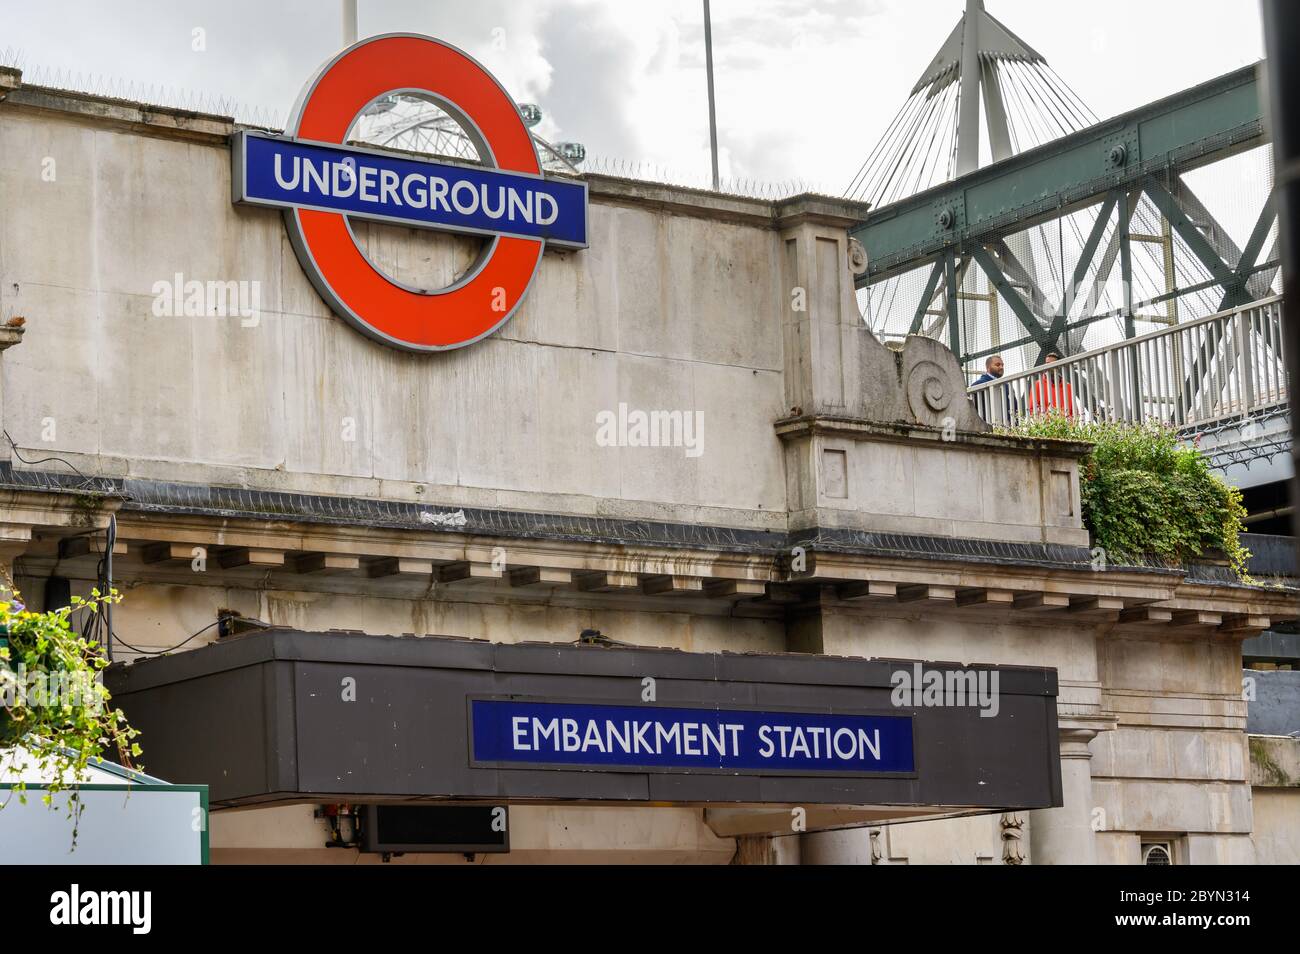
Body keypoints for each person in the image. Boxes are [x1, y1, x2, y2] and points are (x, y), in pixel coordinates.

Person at [1028, 352, 1075, 417]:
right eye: (1047, 363)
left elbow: (1074, 411)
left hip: (1065, 425)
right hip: (1047, 426)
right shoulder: (1037, 385)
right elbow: (1032, 409)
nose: (1048, 367)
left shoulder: (1068, 387)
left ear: (1058, 366)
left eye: (1052, 364)